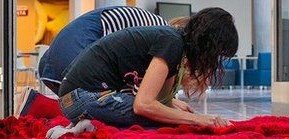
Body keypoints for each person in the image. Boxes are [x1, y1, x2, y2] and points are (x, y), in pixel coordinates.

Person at [57, 8, 237, 129]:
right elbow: (143, 105)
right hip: (82, 97)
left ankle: (85, 127)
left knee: (172, 119)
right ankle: (82, 129)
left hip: (77, 99)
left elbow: (161, 102)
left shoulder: (175, 45)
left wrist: (184, 113)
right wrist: (199, 119)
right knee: (163, 122)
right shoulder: (171, 42)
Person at [38, 6, 167, 96]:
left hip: (48, 67)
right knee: (124, 107)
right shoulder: (164, 36)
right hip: (74, 58)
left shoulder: (152, 26)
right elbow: (139, 96)